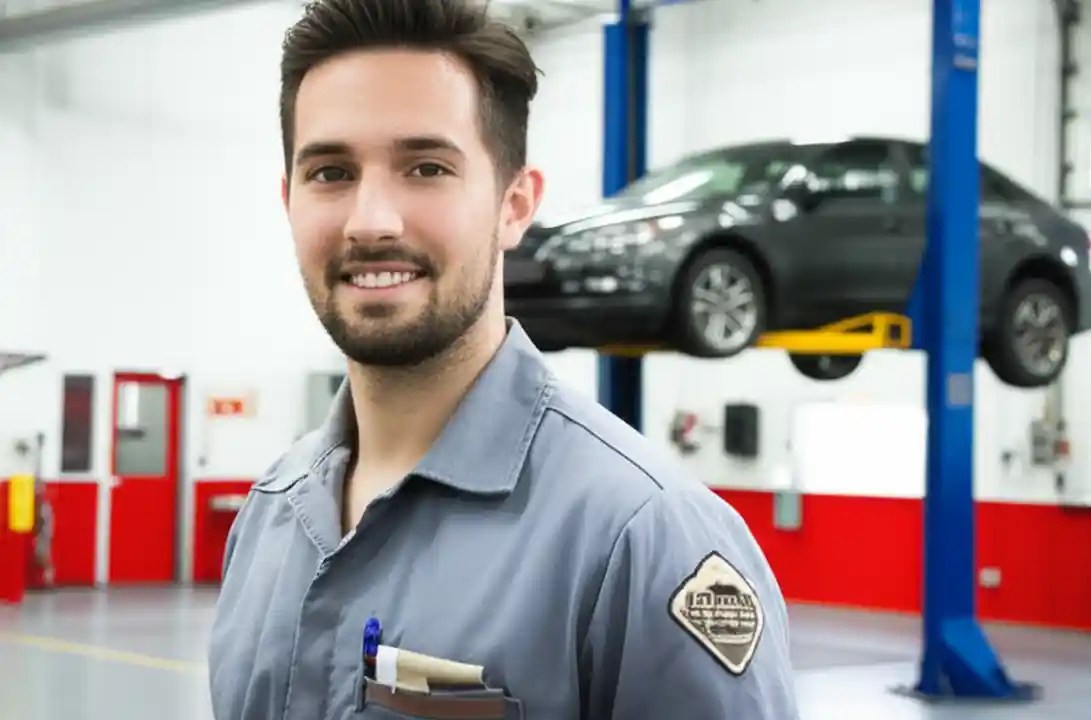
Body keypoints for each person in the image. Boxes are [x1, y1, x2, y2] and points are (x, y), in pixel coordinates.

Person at [207, 0, 800, 718]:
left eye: (425, 167)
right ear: (289, 200)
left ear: (515, 205)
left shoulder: (640, 538)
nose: (371, 220)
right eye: (330, 172)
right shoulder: (272, 515)